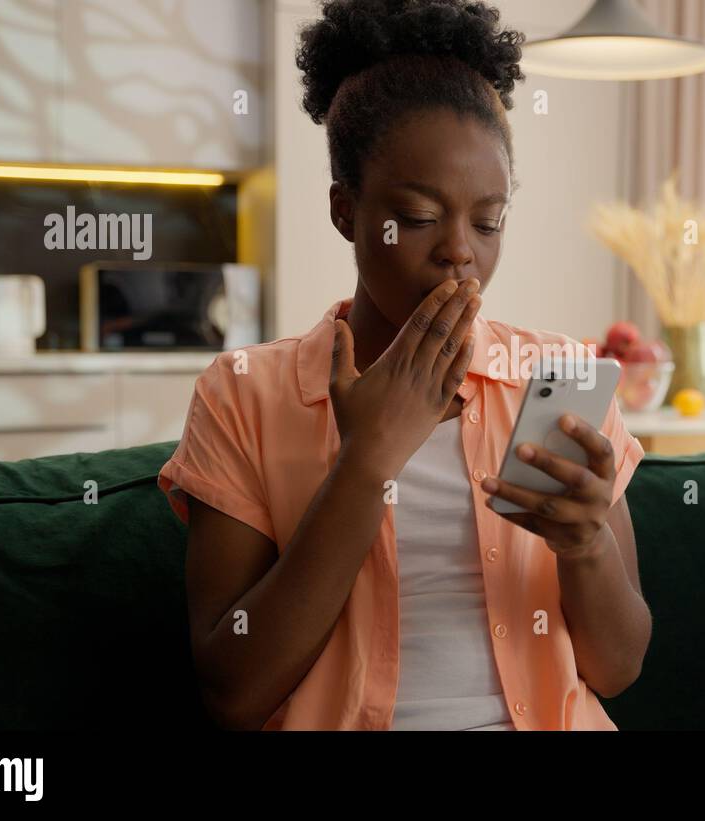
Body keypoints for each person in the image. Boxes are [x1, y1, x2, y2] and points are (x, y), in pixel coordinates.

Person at [157, 0, 650, 731]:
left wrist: (586, 544)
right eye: (418, 216)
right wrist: (367, 460)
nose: (461, 250)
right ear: (344, 211)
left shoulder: (558, 376)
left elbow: (619, 666)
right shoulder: (244, 396)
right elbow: (234, 688)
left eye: (489, 221)